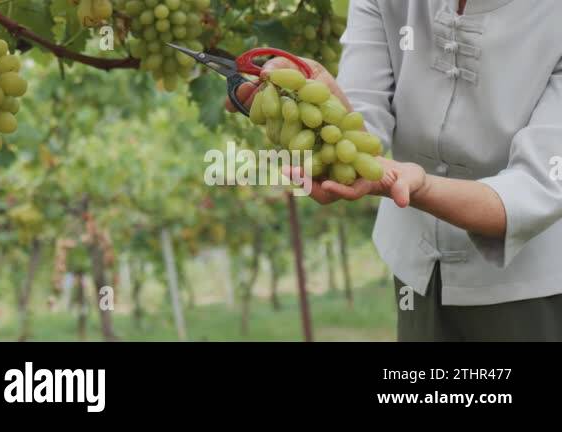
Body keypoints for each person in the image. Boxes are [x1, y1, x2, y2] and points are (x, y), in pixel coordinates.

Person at [227, 0, 562, 341]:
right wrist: (319, 100)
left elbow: (537, 186)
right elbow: (361, 122)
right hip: (417, 271)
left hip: (532, 287)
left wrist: (420, 187)